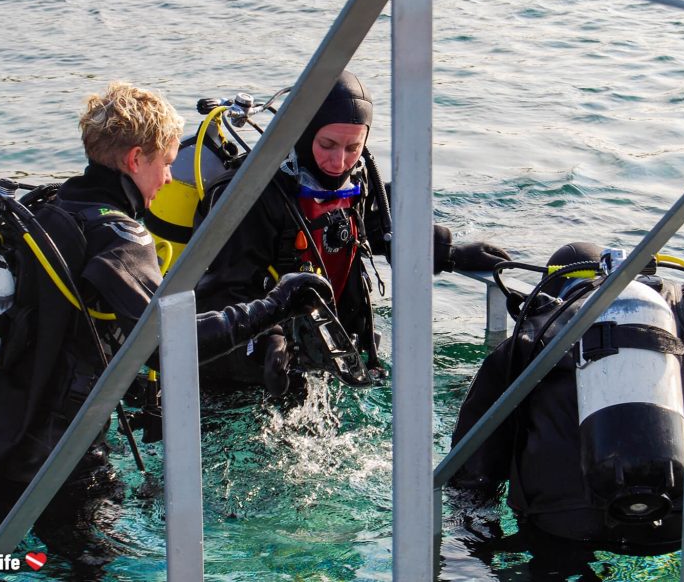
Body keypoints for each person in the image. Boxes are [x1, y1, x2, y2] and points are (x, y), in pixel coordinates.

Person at [0, 82, 333, 573]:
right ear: (136, 159)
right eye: (167, 163)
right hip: (64, 460)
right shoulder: (119, 234)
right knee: (96, 566)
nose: (172, 180)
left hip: (3, 441)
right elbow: (175, 345)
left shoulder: (52, 209)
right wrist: (276, 306)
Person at [448, 241, 684, 572]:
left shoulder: (532, 337)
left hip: (564, 529)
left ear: (556, 287)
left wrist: (476, 549)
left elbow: (471, 475)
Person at [193, 70, 513, 395]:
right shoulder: (254, 195)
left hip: (331, 350)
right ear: (303, 134)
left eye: (353, 146)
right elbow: (221, 291)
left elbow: (371, 230)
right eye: (327, 144)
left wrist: (447, 253)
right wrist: (266, 342)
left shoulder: (357, 179)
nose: (339, 161)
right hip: (247, 369)